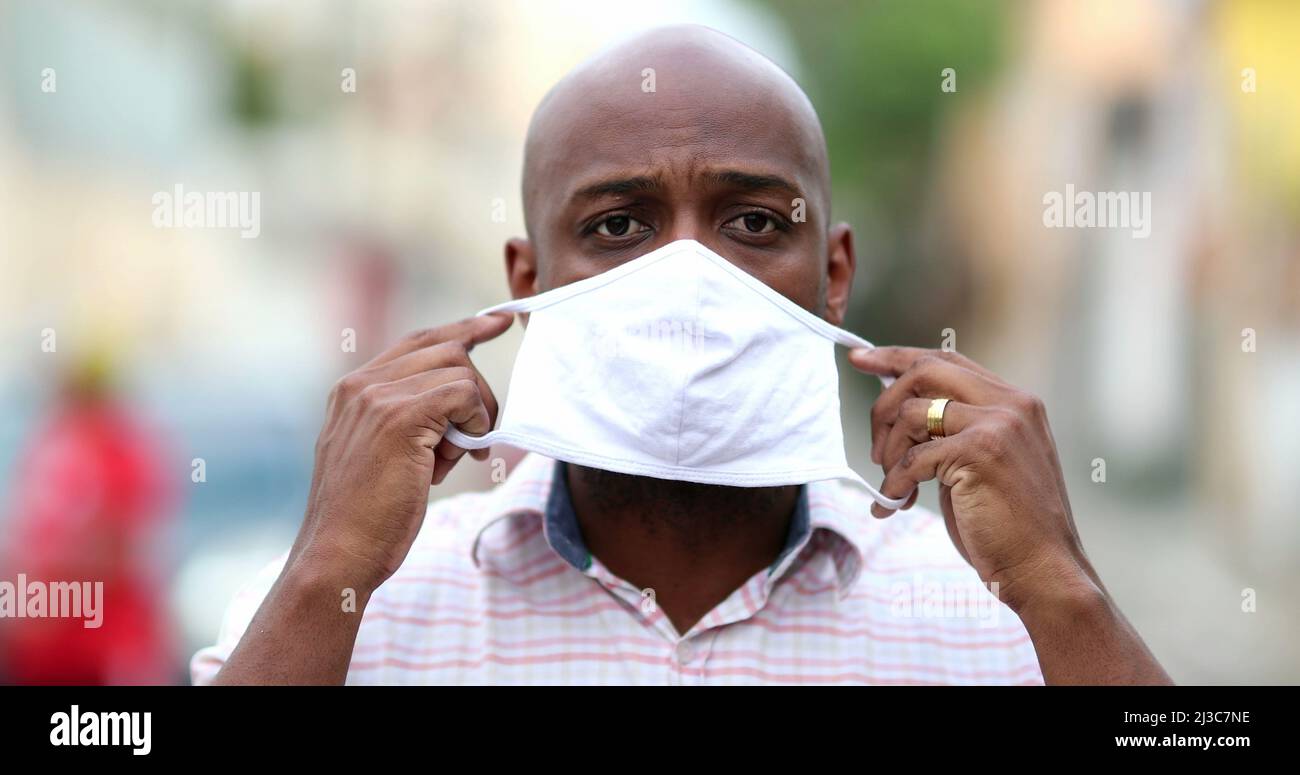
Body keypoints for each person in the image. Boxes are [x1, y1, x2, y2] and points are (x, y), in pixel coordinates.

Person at [193, 25, 1170, 685]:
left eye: (751, 220)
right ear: (528, 284)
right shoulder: (360, 616)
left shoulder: (997, 616)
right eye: (619, 225)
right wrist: (325, 571)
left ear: (833, 273)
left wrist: (1062, 589)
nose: (689, 275)